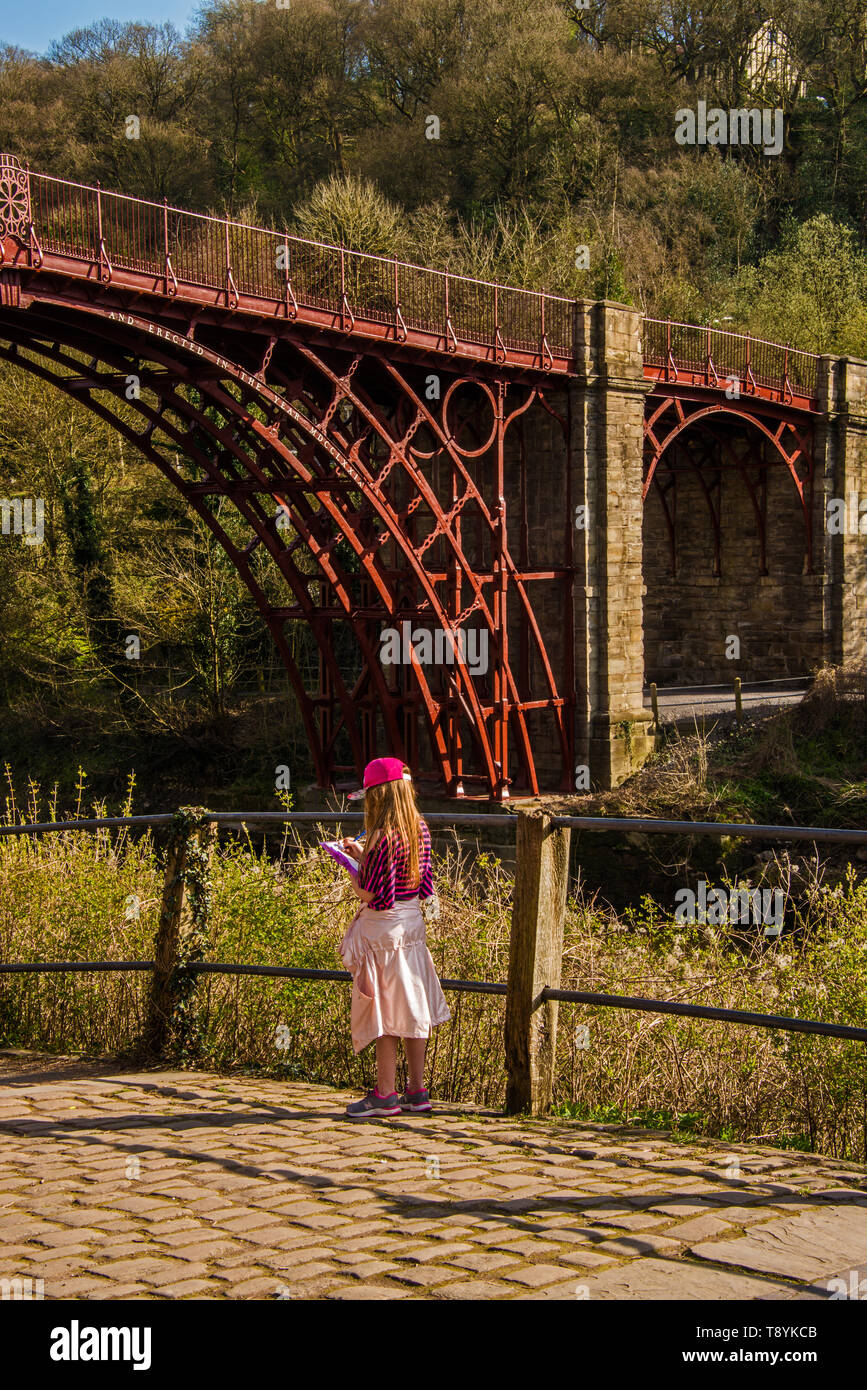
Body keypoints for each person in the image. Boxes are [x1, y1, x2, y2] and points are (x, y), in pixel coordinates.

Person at [338, 757, 450, 1118]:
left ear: (378, 796)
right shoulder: (420, 828)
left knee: (383, 1009)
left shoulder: (381, 836)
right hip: (412, 925)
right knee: (413, 1005)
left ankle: (384, 1093)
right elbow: (419, 882)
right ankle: (417, 1091)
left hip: (383, 933)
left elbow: (373, 895)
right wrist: (362, 856)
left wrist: (352, 868)